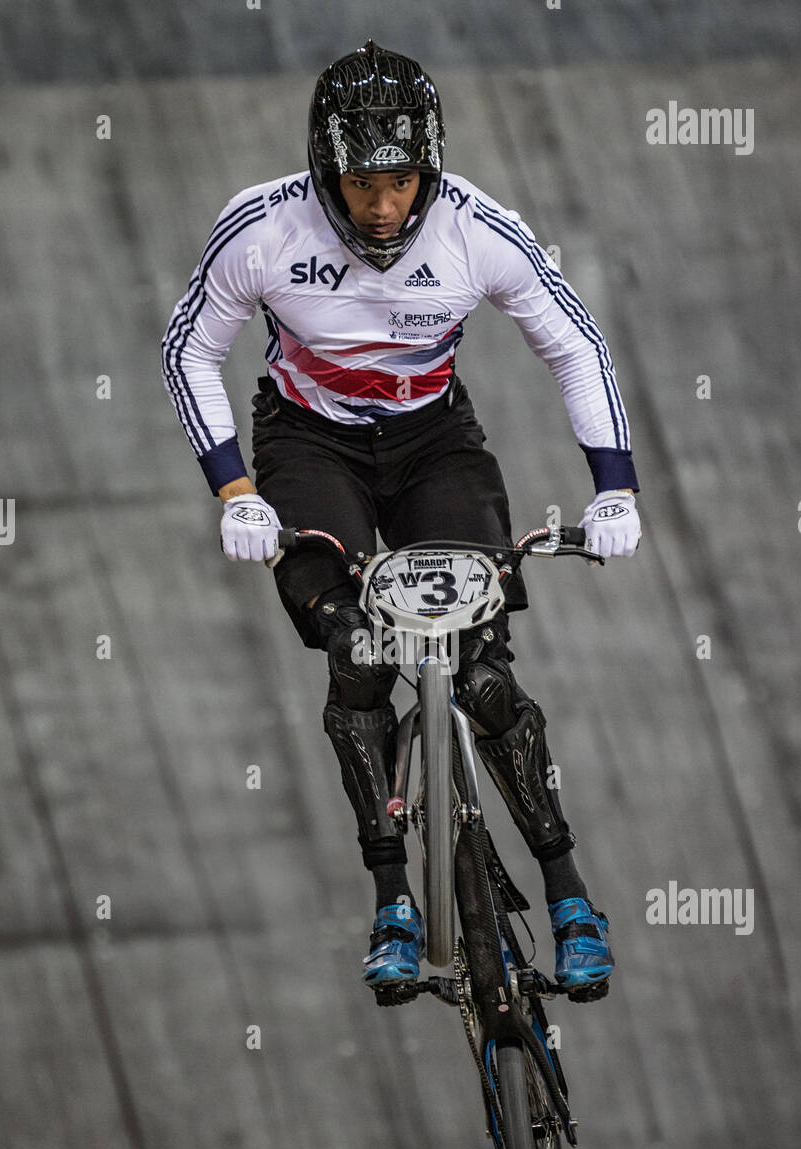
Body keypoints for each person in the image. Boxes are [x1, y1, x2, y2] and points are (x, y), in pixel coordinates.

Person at [161, 39, 640, 1001]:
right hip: (309, 443)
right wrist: (234, 488)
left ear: (433, 164)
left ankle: (567, 892)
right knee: (360, 656)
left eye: (403, 182)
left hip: (434, 442)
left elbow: (576, 347)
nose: (383, 208)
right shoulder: (262, 230)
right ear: (323, 168)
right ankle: (392, 899)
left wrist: (615, 486)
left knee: (484, 668)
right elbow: (189, 349)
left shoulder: (478, 230)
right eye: (362, 185)